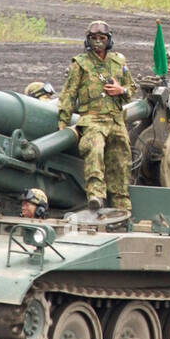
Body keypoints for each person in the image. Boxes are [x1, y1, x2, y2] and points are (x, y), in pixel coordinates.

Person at [57, 21, 134, 212]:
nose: (98, 42)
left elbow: (132, 89)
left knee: (121, 160)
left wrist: (121, 90)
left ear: (109, 40)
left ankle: (121, 204)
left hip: (116, 119)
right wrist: (63, 123)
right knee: (95, 150)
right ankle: (96, 194)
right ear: (87, 40)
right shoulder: (80, 64)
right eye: (94, 39)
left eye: (102, 38)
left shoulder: (119, 62)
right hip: (92, 118)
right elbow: (68, 95)